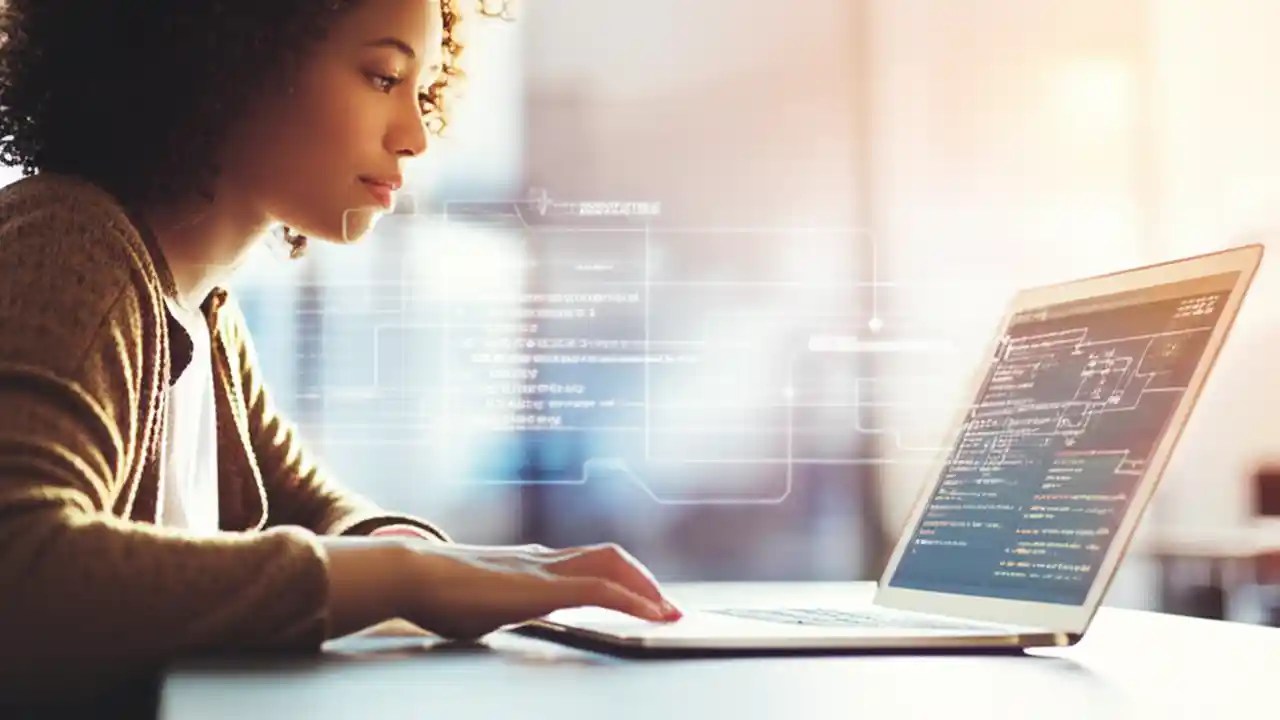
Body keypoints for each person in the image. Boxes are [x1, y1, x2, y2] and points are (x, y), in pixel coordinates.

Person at [0, 0, 681, 705]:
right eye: (384, 77)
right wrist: (406, 576)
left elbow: (313, 509)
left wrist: (434, 559)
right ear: (232, 56)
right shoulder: (70, 247)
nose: (417, 136)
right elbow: (19, 568)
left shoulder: (202, 312)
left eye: (424, 92)